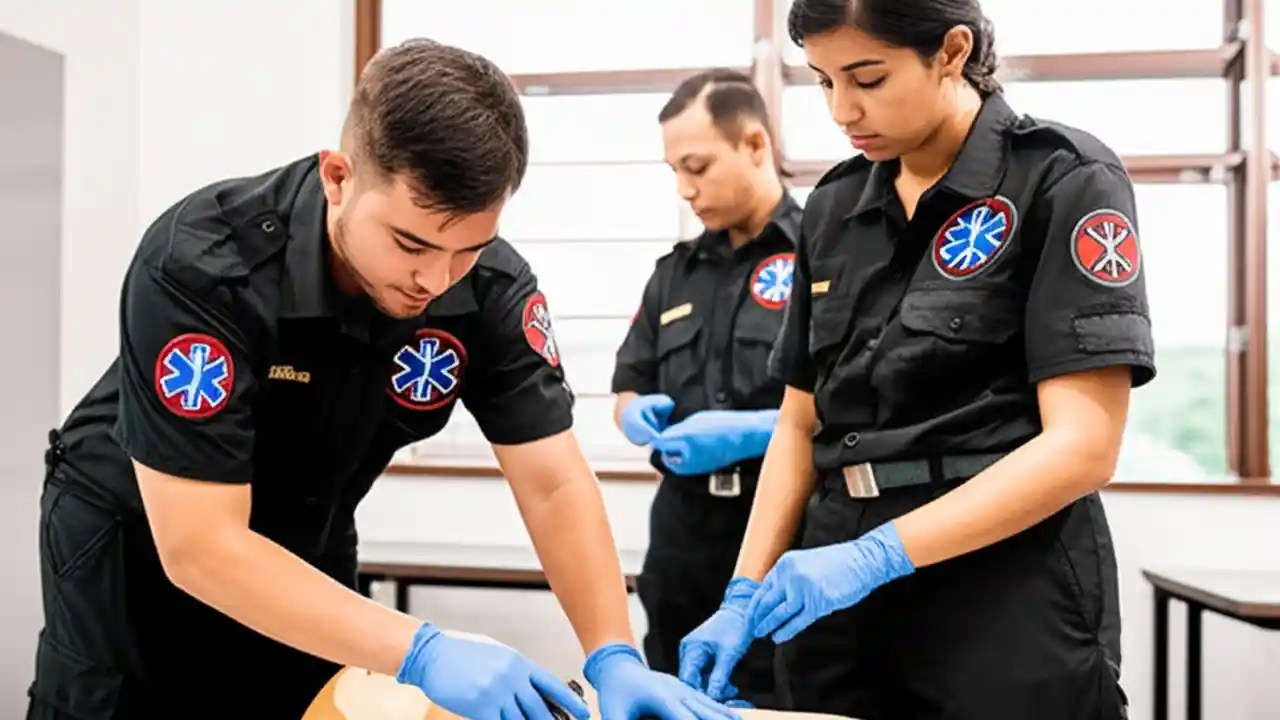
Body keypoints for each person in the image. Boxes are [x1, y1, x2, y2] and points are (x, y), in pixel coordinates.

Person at [27, 38, 741, 720]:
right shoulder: (205, 264)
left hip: (307, 532)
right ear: (339, 177)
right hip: (140, 546)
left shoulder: (488, 287)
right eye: (410, 243)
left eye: (468, 248)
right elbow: (200, 546)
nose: (436, 279)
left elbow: (552, 481)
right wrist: (423, 650)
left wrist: (611, 652)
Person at [676, 2, 1154, 719]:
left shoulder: (1060, 179)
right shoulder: (835, 208)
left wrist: (878, 556)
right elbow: (798, 427)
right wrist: (743, 591)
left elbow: (1083, 447)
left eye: (867, 78)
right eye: (824, 81)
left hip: (1000, 588)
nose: (843, 109)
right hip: (834, 592)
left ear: (952, 50)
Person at [610, 70, 801, 709]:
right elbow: (627, 387)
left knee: (778, 699)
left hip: (784, 540)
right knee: (671, 693)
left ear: (754, 144)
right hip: (682, 538)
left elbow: (859, 402)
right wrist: (636, 413)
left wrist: (755, 432)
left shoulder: (823, 257)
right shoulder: (675, 273)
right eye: (674, 172)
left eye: (696, 166)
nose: (685, 189)